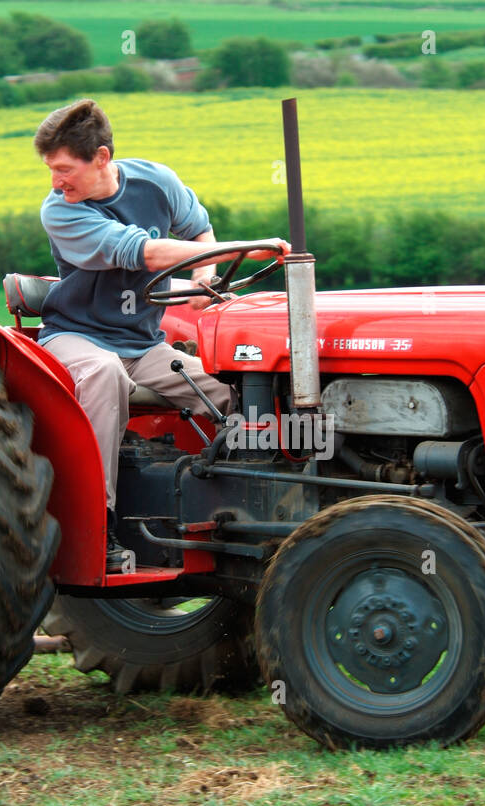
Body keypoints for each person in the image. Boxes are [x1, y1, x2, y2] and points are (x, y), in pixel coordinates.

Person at [32, 99, 289, 571]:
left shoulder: (156, 181)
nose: (55, 181)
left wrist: (203, 276)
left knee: (236, 389)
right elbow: (144, 253)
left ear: (102, 158)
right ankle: (94, 524)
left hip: (143, 344)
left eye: (64, 168)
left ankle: (248, 502)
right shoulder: (60, 212)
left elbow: (199, 231)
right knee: (103, 373)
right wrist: (245, 249)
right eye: (51, 169)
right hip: (75, 337)